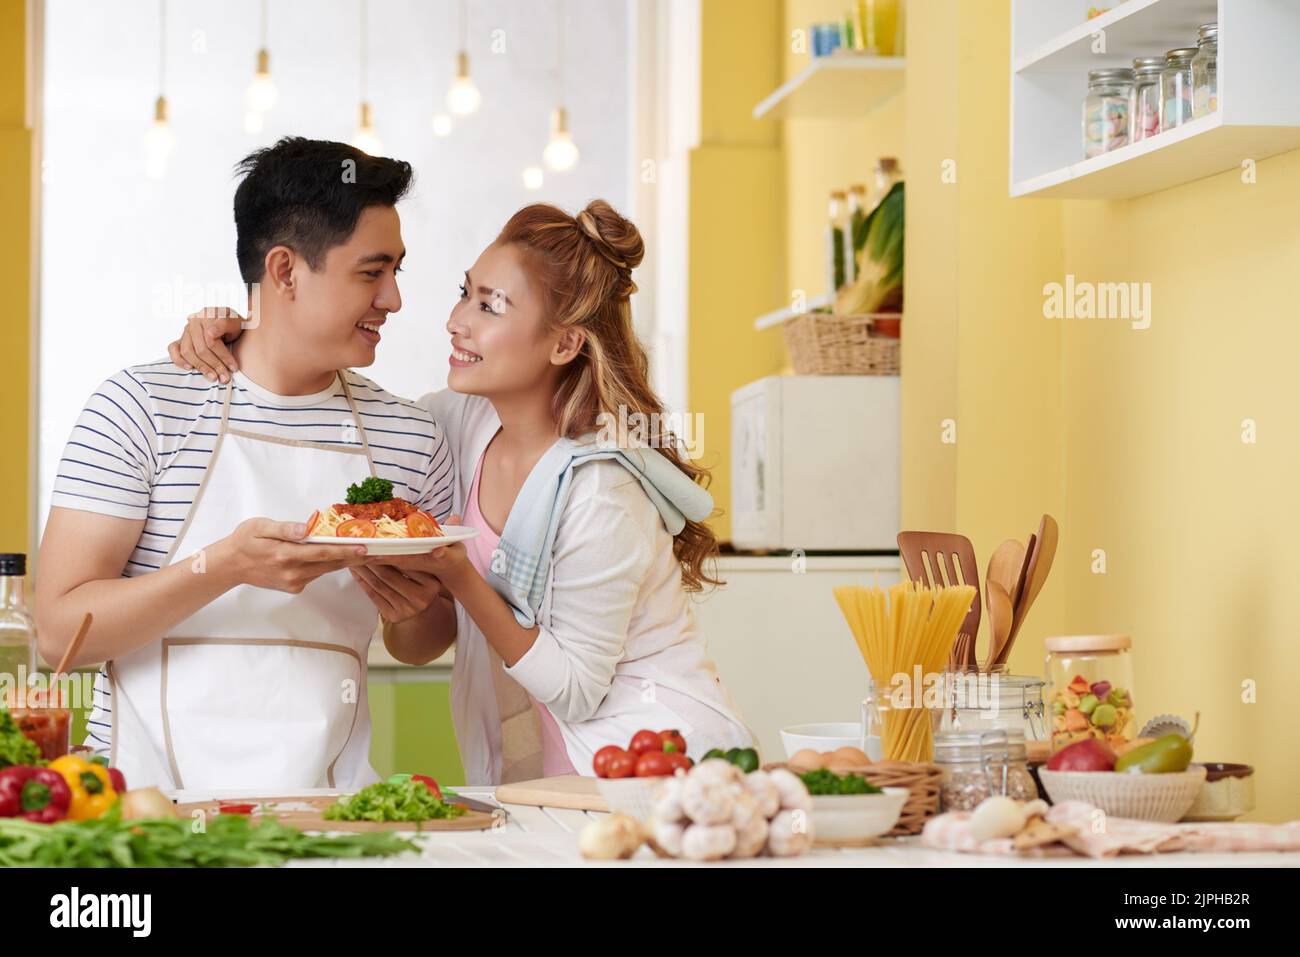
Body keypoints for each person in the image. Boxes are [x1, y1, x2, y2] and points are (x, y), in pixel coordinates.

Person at [169, 201, 753, 784]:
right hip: (544, 772)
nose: (457, 319)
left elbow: (574, 690)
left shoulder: (601, 488)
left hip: (656, 762)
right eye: (465, 292)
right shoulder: (462, 423)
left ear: (564, 344)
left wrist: (458, 575)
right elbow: (359, 410)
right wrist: (251, 329)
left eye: (489, 306)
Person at [35, 137, 454, 791]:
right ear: (284, 270)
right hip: (142, 812)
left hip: (328, 817)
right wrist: (223, 566)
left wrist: (415, 604)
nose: (394, 298)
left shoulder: (411, 435)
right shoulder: (142, 406)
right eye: (372, 272)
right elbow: (59, 635)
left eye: (398, 270)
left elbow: (420, 642)